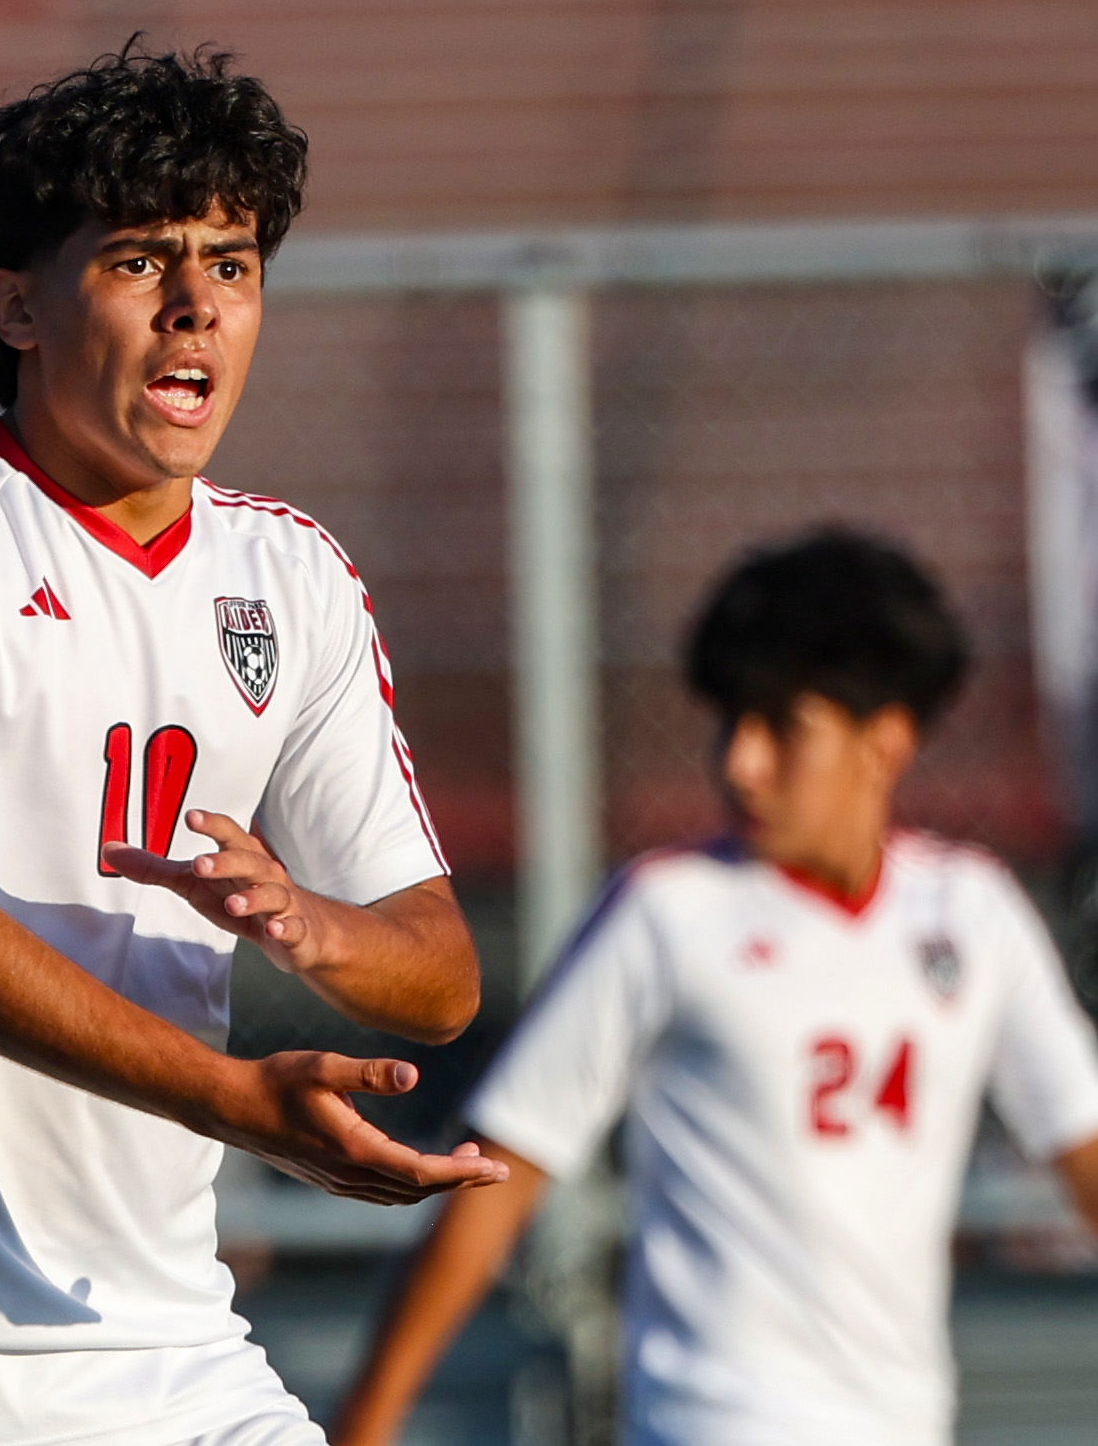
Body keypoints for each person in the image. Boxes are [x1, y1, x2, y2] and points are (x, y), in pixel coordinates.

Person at [0, 45, 503, 1446]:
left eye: (233, 262)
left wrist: (312, 924)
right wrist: (236, 1099)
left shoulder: (293, 574)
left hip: (169, 1340)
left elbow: (437, 973)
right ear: (16, 304)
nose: (199, 302)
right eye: (142, 261)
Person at [331, 530, 1098, 1446]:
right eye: (732, 722)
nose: (740, 762)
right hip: (708, 1423)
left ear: (885, 740)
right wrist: (365, 1422)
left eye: (784, 727)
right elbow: (498, 1170)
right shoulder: (669, 911)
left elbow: (1082, 1147)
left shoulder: (974, 915)